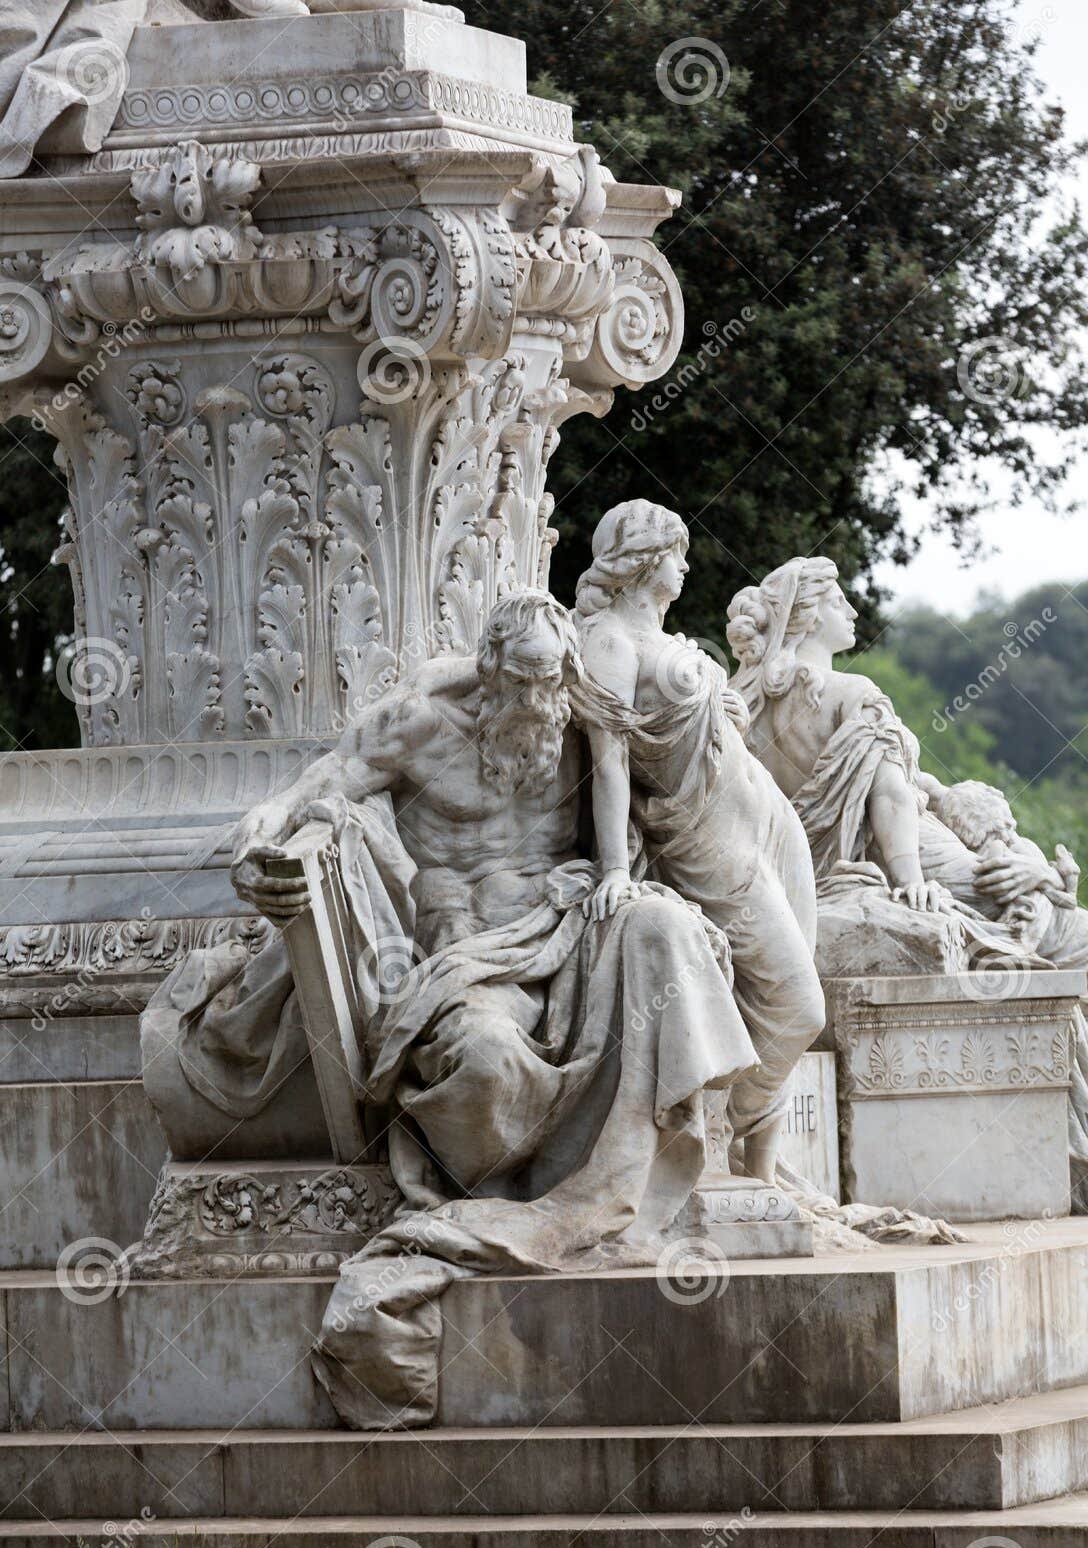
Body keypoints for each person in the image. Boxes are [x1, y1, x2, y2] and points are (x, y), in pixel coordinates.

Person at [145, 589, 758, 1426]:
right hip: (457, 954)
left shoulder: (578, 725)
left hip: (560, 932)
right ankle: (519, 1193)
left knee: (659, 923)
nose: (542, 705)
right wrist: (257, 846)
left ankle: (615, 1170)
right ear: (490, 669)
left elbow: (643, 794)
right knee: (486, 1061)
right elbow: (302, 794)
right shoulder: (420, 726)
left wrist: (619, 875)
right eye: (526, 685)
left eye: (554, 686)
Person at [726, 556, 1088, 1211]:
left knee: (1051, 919)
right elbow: (889, 797)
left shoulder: (742, 705)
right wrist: (912, 882)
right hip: (895, 867)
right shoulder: (852, 694)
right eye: (840, 600)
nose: (853, 612)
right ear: (807, 616)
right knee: (1072, 933)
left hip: (805, 876)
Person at [573, 501, 825, 1184]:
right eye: (676, 552)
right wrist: (616, 866)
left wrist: (724, 712)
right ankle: (725, 1136)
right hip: (709, 844)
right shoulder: (608, 640)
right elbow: (609, 759)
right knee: (800, 1007)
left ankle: (756, 1167)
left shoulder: (659, 635)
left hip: (768, 824)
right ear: (642, 558)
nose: (686, 565)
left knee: (785, 993)